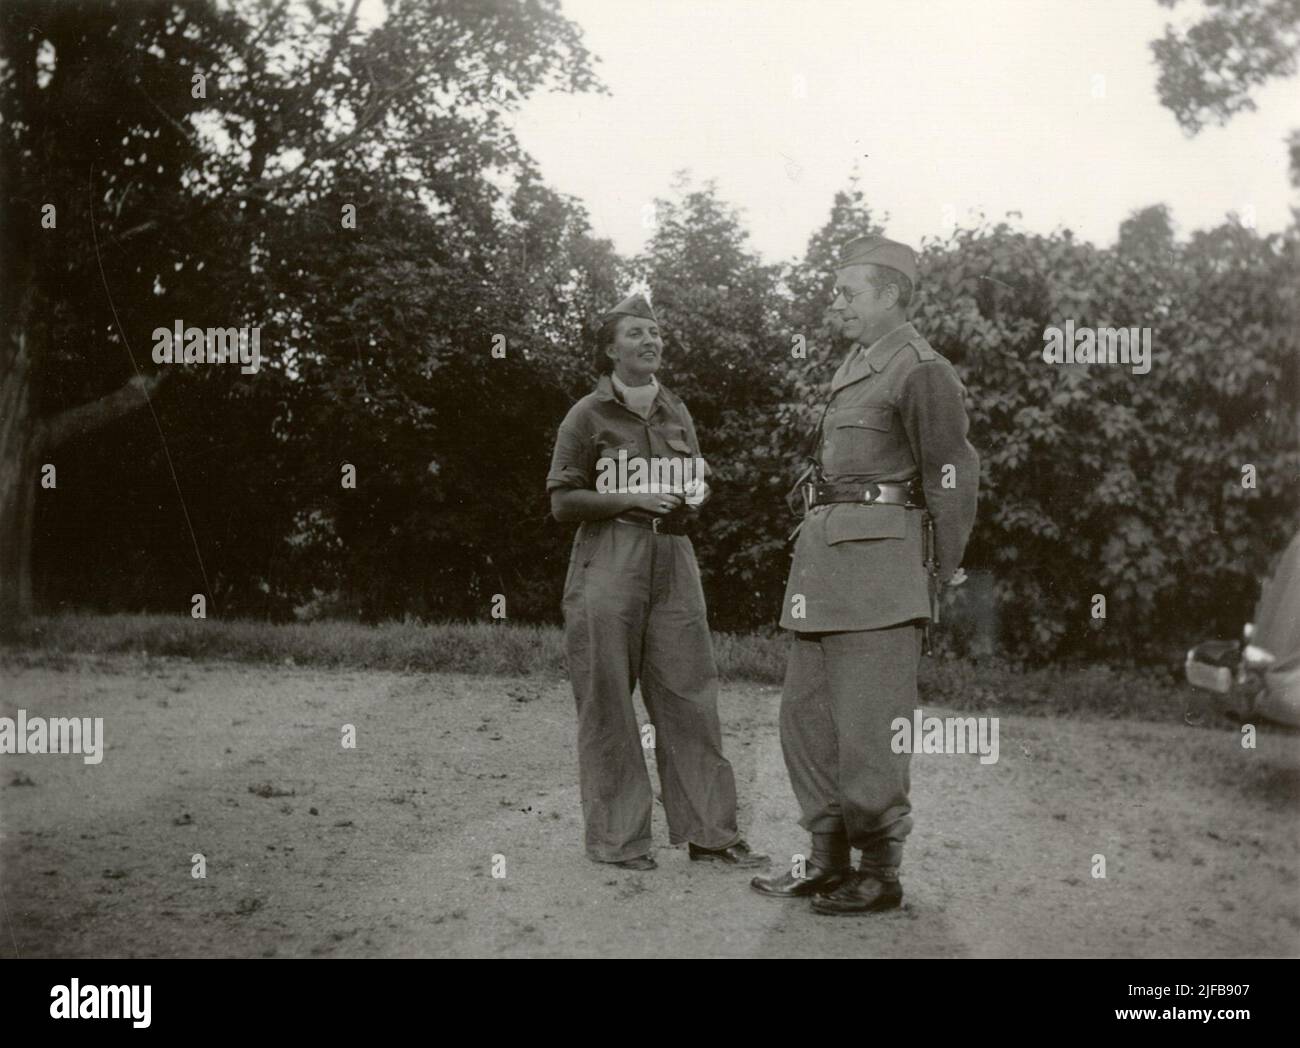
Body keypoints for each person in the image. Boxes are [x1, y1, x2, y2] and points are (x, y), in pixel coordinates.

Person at [751, 235, 979, 914]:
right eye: (836, 291)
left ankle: (879, 869)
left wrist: (939, 571)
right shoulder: (858, 364)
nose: (836, 302)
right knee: (807, 720)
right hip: (824, 565)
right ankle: (825, 858)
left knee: (871, 726)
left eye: (849, 292)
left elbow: (951, 475)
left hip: (882, 570)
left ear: (891, 295)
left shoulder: (921, 369)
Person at [547, 292, 768, 871]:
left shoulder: (676, 410)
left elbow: (692, 483)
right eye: (637, 334)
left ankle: (712, 835)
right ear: (610, 349)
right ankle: (620, 842)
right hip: (609, 554)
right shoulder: (586, 414)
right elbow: (563, 501)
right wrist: (631, 497)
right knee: (608, 701)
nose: (651, 342)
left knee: (690, 695)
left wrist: (696, 491)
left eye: (656, 333)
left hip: (674, 558)